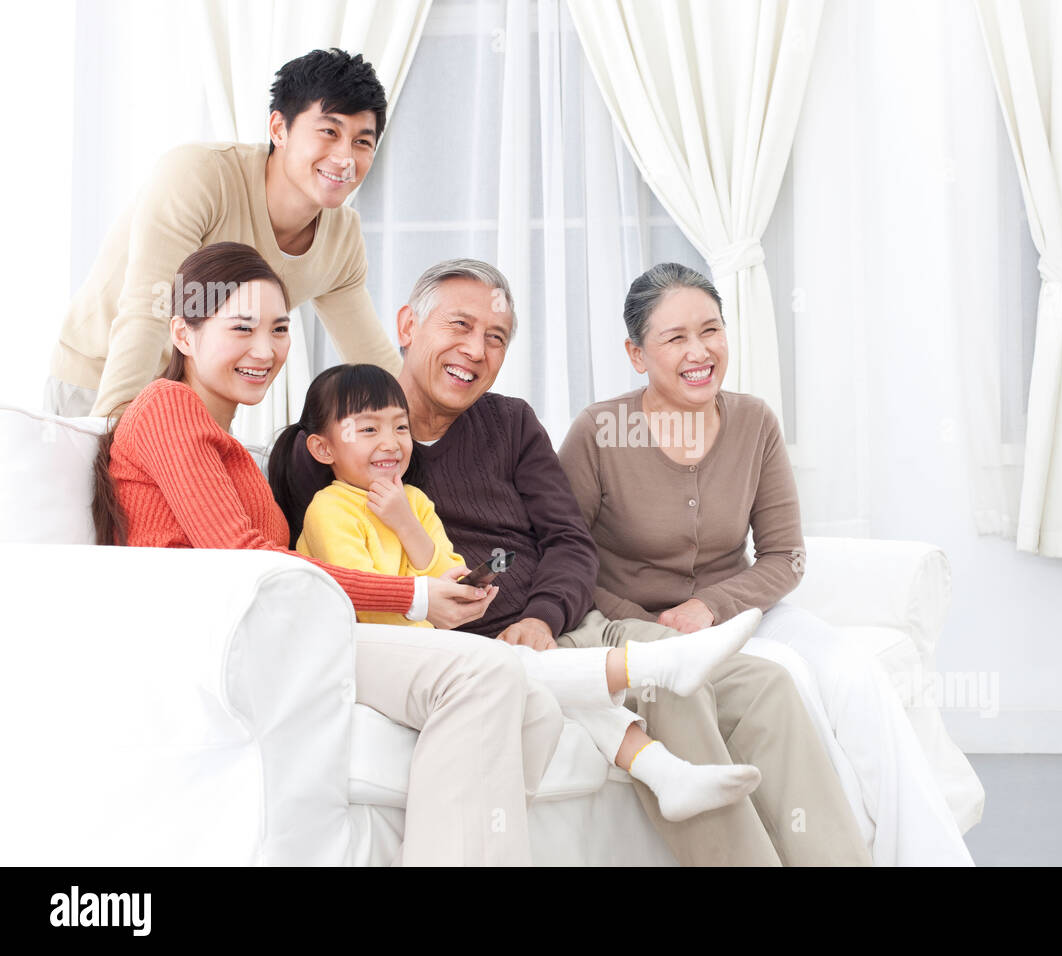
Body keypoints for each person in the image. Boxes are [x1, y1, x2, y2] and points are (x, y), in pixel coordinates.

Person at [285, 258, 874, 866]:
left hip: (571, 622)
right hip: (493, 647)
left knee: (766, 686)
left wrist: (543, 615)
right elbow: (318, 562)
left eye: (496, 337)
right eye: (458, 326)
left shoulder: (511, 424)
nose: (475, 350)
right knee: (670, 689)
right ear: (408, 325)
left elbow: (570, 540)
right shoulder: (346, 437)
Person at [90, 242, 562, 866]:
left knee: (538, 709)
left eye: (280, 329)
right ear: (183, 332)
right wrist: (416, 596)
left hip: (284, 630)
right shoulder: (167, 410)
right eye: (243, 328)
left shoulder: (223, 436)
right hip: (232, 642)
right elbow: (244, 557)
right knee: (482, 673)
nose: (266, 350)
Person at [556, 261, 980, 866]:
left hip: (739, 610)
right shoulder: (600, 432)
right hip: (640, 629)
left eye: (711, 330)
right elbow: (566, 557)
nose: (699, 351)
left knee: (857, 678)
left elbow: (785, 557)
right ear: (636, 352)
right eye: (675, 338)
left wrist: (710, 606)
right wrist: (653, 624)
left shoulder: (753, 420)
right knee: (792, 687)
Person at [271, 363, 766, 822]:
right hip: (385, 651)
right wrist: (431, 603)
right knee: (522, 671)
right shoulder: (329, 509)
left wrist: (447, 572)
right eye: (369, 429)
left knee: (552, 692)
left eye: (401, 427)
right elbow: (369, 598)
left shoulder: (414, 501)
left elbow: (448, 570)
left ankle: (666, 773)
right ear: (323, 448)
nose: (391, 442)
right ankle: (656, 667)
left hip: (434, 645)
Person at [49, 48, 400, 419]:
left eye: (362, 142)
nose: (346, 158)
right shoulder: (199, 176)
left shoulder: (341, 239)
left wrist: (431, 433)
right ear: (279, 129)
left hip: (193, 403)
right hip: (101, 384)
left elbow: (373, 362)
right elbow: (147, 310)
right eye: (329, 132)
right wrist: (117, 425)